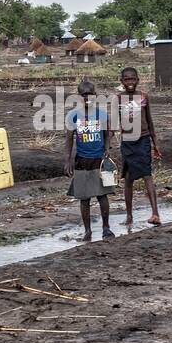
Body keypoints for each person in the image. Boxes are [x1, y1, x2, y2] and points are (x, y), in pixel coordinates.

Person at [65, 79, 114, 240]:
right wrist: (68, 160)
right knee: (84, 198)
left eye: (90, 94)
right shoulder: (72, 116)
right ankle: (88, 231)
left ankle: (106, 228)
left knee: (102, 195)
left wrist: (107, 150)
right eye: (83, 95)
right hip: (81, 160)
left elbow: (107, 135)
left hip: (99, 160)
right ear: (78, 97)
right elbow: (69, 140)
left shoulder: (102, 114)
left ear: (95, 96)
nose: (87, 98)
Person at [117, 66, 162, 225]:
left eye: (133, 79)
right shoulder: (118, 99)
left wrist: (155, 143)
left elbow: (150, 121)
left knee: (147, 175)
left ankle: (155, 213)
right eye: (127, 79)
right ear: (122, 81)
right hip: (127, 142)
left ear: (138, 80)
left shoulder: (143, 97)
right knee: (128, 179)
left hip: (143, 140)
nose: (130, 82)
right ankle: (129, 216)